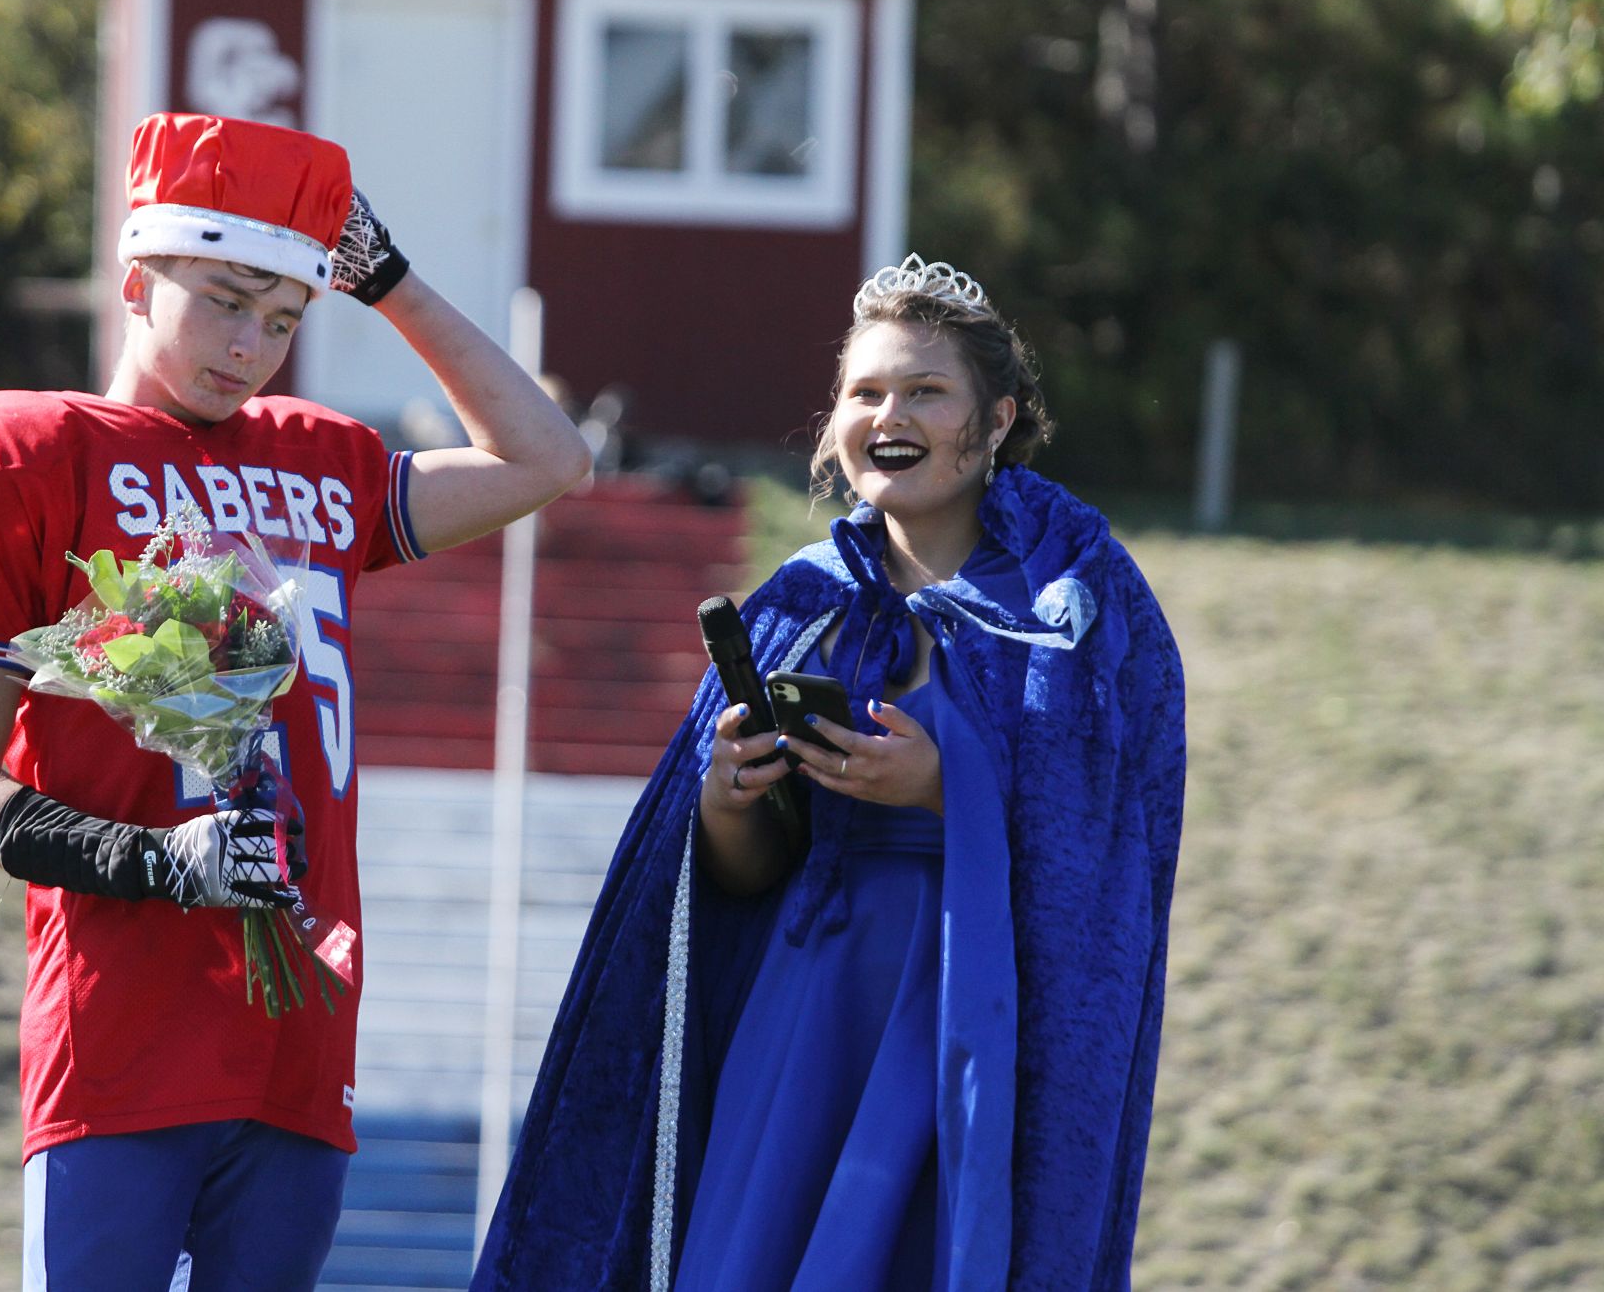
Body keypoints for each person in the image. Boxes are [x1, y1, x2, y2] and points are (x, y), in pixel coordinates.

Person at [0, 112, 590, 1292]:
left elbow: (547, 460)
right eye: (224, 299)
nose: (252, 344)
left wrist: (391, 284)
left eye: (283, 317)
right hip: (123, 1029)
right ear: (134, 277)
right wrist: (159, 861)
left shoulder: (319, 457)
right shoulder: (28, 449)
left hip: (301, 1030)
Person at [474, 255, 1186, 1290]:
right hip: (807, 1017)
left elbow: (1111, 826)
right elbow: (732, 885)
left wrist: (949, 790)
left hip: (974, 1014)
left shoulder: (1077, 602)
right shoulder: (793, 607)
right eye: (864, 392)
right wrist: (726, 801)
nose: (887, 414)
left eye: (924, 391)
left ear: (995, 421)